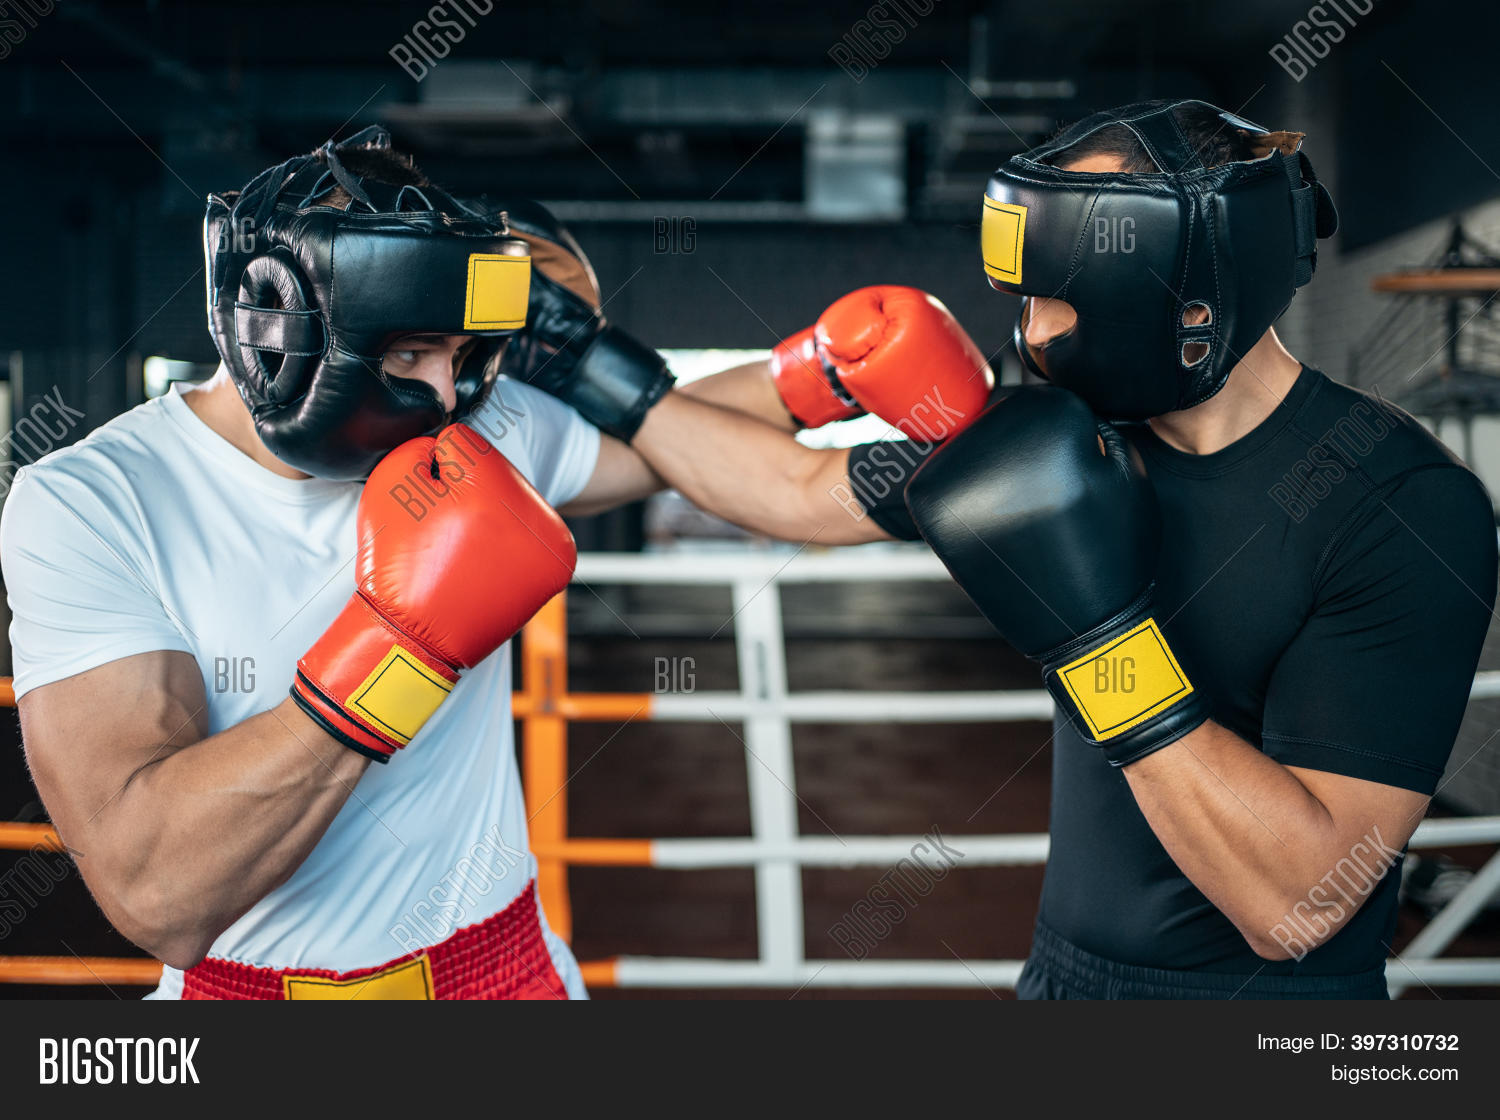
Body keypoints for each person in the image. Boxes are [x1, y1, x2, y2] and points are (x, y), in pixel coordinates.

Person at [0, 127, 990, 999]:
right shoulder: (95, 502)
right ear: (284, 332)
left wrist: (821, 377)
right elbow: (158, 895)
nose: (443, 392)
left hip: (504, 973)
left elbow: (680, 446)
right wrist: (399, 646)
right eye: (411, 355)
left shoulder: (470, 422)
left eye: (463, 355)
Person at [903, 99, 1498, 998]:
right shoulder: (1075, 444)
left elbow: (1296, 908)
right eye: (1025, 298)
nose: (1034, 334)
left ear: (1185, 295)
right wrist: (649, 384)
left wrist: (1101, 649)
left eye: (1062, 295)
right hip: (1060, 981)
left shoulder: (1403, 507)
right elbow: (797, 494)